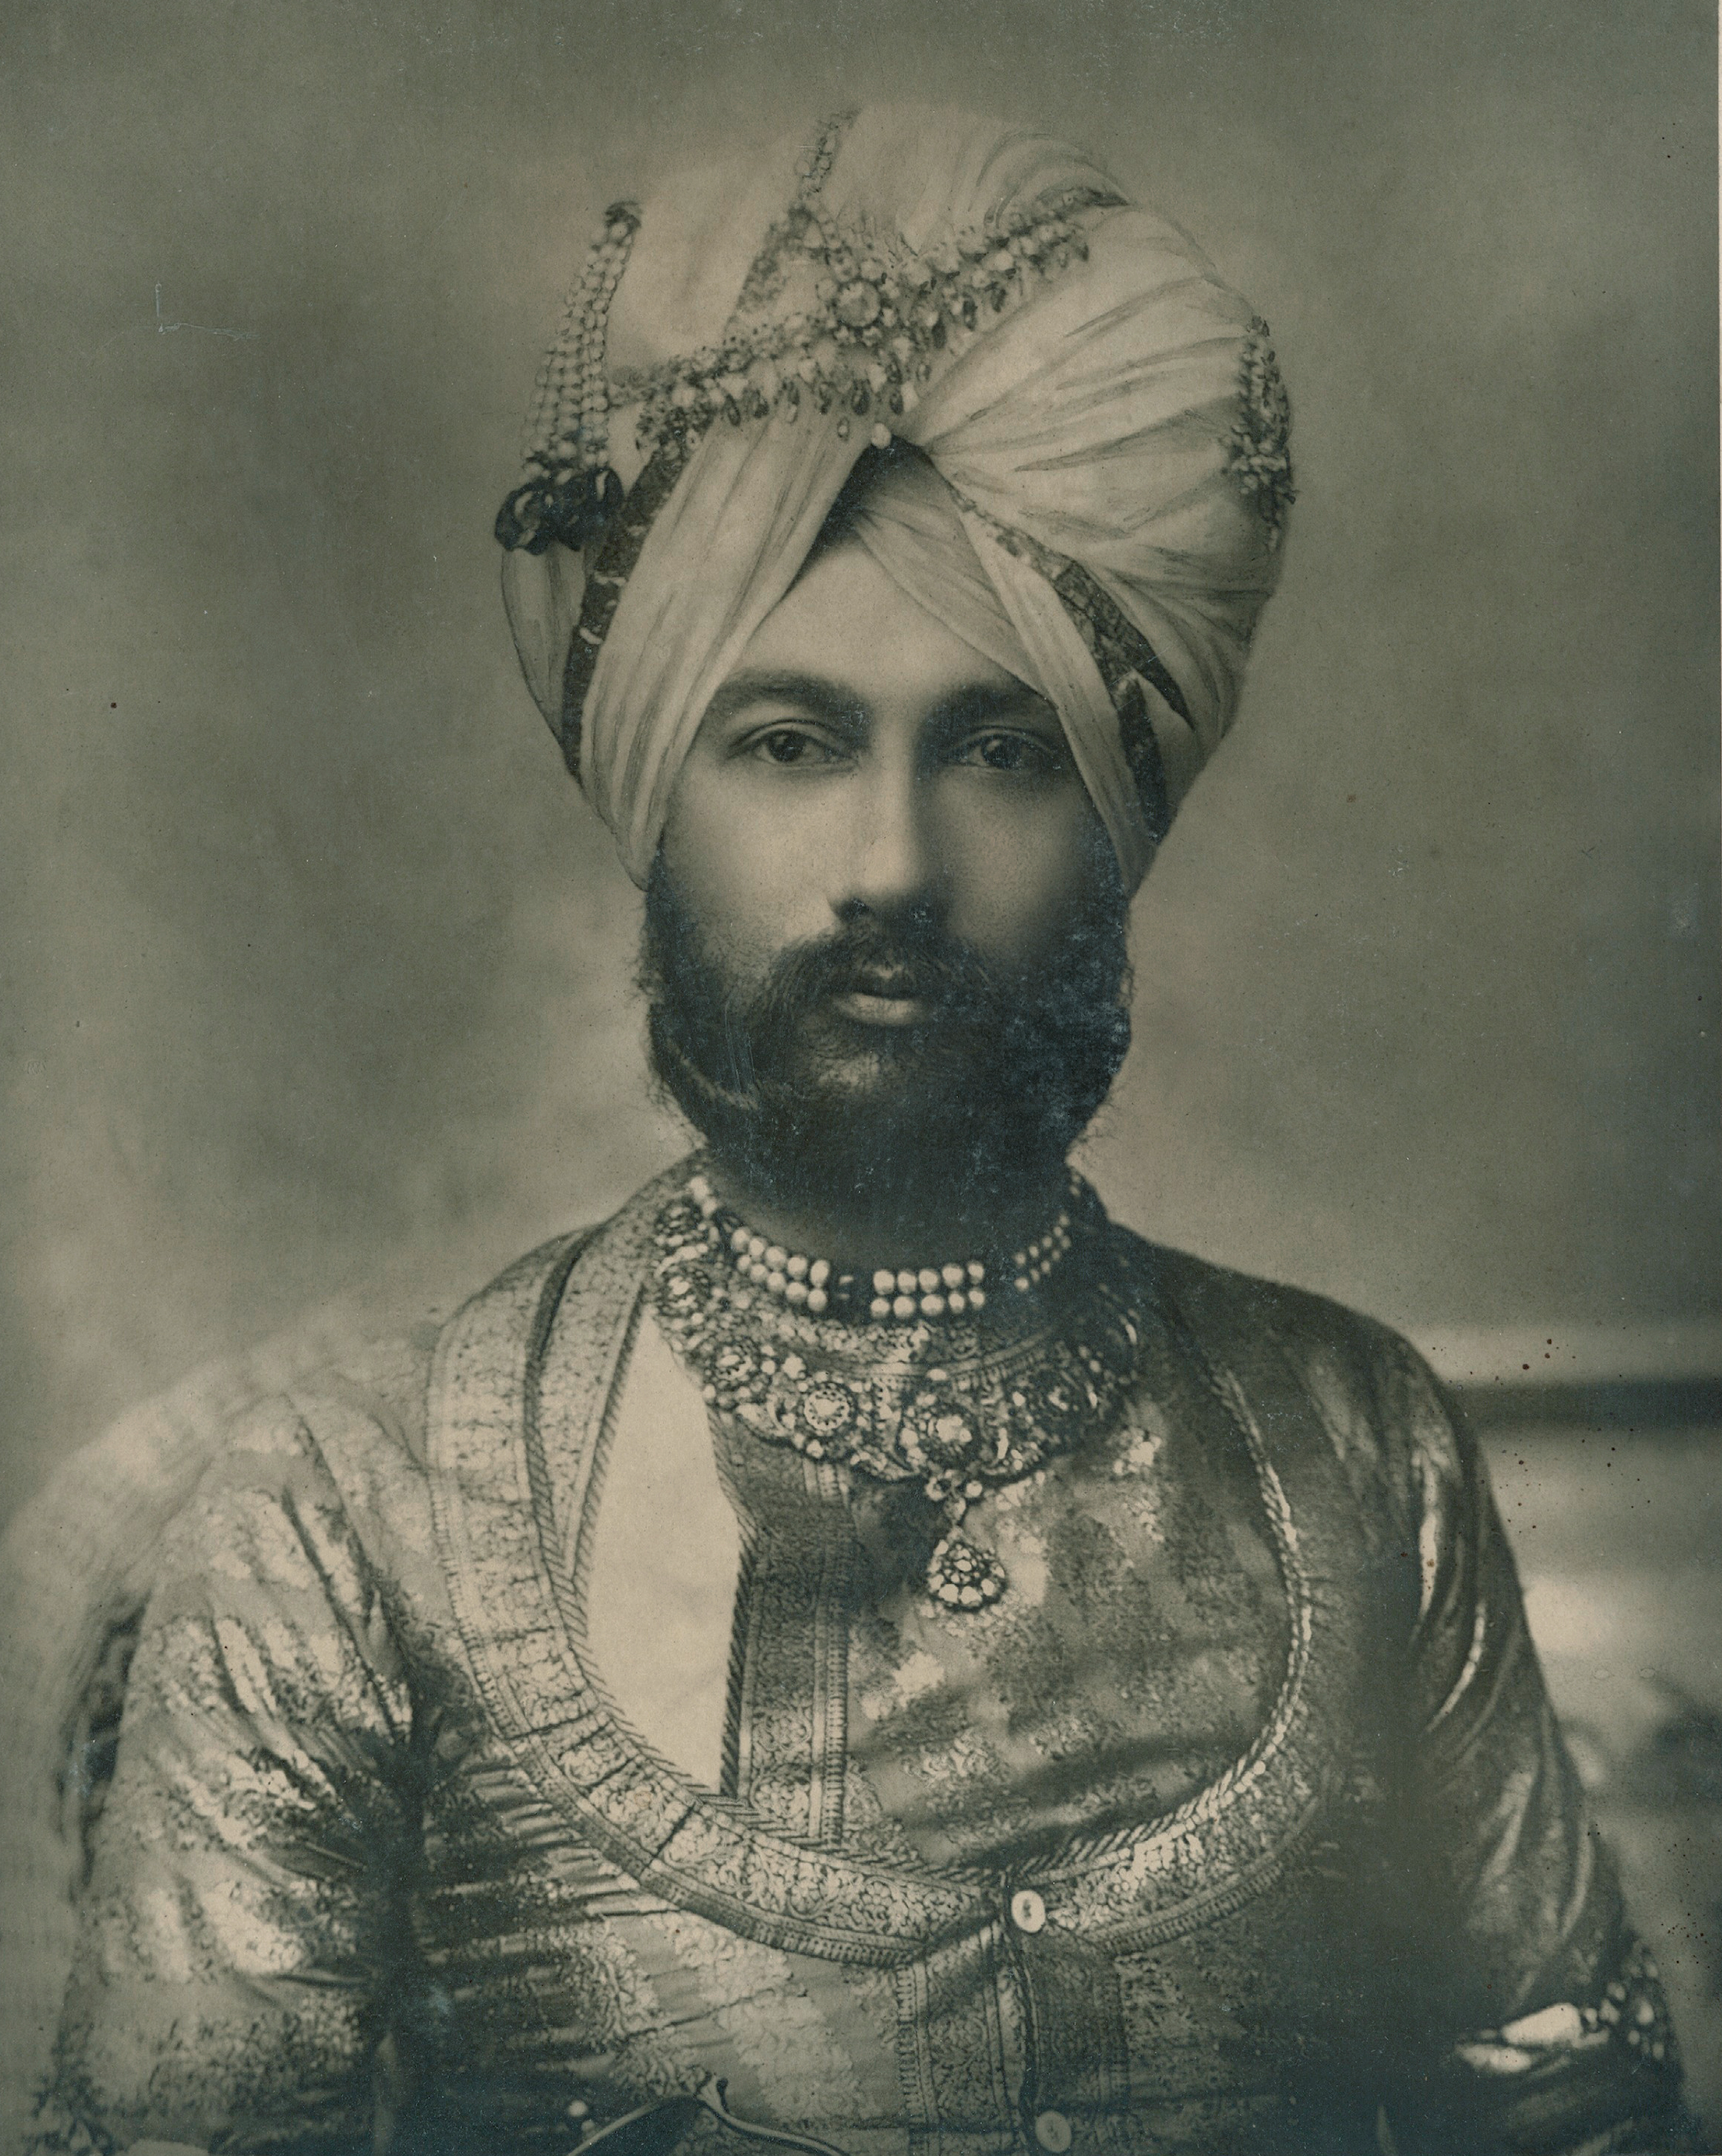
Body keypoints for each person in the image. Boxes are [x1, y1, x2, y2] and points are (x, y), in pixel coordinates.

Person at [15, 106, 1691, 2156]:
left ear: (1116, 820)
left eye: (998, 749)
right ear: (655, 804)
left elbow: (1571, 2100)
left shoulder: (1352, 1444)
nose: (887, 865)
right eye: (789, 744)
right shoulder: (346, 1514)